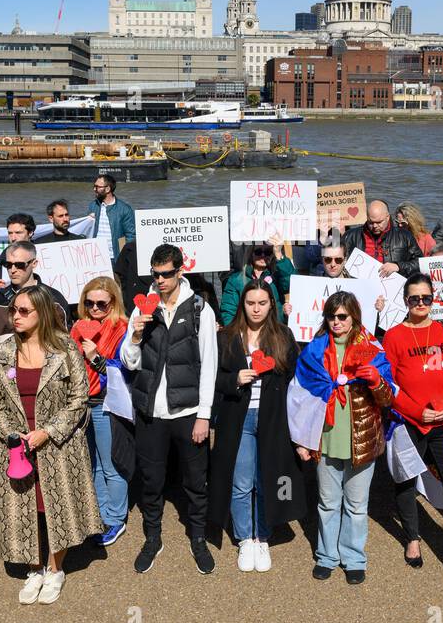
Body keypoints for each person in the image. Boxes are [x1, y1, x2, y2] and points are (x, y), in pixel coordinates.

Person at [0, 283, 103, 605]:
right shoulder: (4, 351)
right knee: (25, 508)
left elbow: (80, 398)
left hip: (58, 446)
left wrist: (48, 431)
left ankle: (55, 568)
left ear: (42, 313)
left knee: (54, 507)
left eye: (23, 311)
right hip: (17, 446)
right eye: (13, 311)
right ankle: (33, 568)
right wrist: (11, 432)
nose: (15, 317)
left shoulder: (65, 349)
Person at [121, 243, 220, 575]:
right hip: (151, 411)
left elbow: (209, 364)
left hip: (187, 411)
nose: (160, 280)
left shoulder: (199, 310)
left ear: (180, 272)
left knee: (195, 480)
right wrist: (135, 336)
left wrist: (204, 415)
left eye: (166, 274)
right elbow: (129, 362)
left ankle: (198, 538)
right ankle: (153, 537)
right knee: (152, 480)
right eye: (155, 273)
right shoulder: (142, 309)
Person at [288, 291, 394, 584]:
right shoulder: (313, 351)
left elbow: (387, 398)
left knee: (357, 505)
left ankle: (353, 557)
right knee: (328, 502)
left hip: (362, 437)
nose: (336, 322)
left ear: (354, 317)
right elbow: (299, 397)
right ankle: (326, 556)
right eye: (331, 316)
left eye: (342, 316)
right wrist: (301, 440)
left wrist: (376, 380)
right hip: (326, 437)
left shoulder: (373, 348)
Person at [383, 275, 443, 587]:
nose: (421, 304)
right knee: (405, 480)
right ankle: (412, 538)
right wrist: (415, 411)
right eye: (415, 299)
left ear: (433, 300)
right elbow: (389, 384)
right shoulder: (395, 336)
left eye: (426, 298)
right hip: (408, 422)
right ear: (406, 300)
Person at [209, 278, 305, 573]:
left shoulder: (283, 336)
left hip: (273, 420)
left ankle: (262, 535)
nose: (256, 309)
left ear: (271, 305)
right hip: (237, 419)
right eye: (250, 303)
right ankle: (244, 538)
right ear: (243, 304)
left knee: (268, 480)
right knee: (241, 482)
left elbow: (295, 381)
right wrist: (233, 379)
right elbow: (211, 379)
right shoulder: (226, 337)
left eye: (262, 303)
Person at [72, 276, 132, 546]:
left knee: (111, 464)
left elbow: (126, 367)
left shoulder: (122, 329)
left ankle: (116, 518)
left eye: (101, 304)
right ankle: (101, 512)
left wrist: (96, 357)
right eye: (89, 303)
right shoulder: (77, 327)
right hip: (82, 403)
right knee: (92, 463)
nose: (94, 308)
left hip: (108, 403)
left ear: (113, 303)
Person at [0, 241, 73, 352]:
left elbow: (65, 344)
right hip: (3, 367)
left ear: (34, 263)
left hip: (44, 366)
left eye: (19, 265)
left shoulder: (53, 300)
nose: (13, 270)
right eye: (8, 265)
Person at [219, 237, 294, 325]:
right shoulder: (236, 279)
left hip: (272, 331)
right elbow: (228, 311)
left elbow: (290, 283)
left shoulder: (277, 276)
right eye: (258, 252)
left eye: (267, 252)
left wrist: (278, 253)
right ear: (251, 253)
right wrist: (236, 335)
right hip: (246, 332)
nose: (263, 256)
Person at [342, 199, 423, 280]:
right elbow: (334, 258)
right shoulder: (350, 236)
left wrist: (398, 266)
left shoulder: (404, 236)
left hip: (391, 287)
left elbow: (421, 263)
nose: (374, 226)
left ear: (387, 217)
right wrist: (335, 233)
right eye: (370, 222)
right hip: (359, 286)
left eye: (379, 222)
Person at [87, 173, 136, 262]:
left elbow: (131, 236)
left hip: (115, 257)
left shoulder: (124, 209)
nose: (94, 189)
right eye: (94, 186)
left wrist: (124, 257)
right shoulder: (93, 206)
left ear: (108, 189)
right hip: (95, 257)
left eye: (97, 187)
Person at [0, 213, 36, 279]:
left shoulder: (44, 251)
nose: (13, 238)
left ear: (30, 233)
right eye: (10, 233)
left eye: (18, 233)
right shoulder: (3, 258)